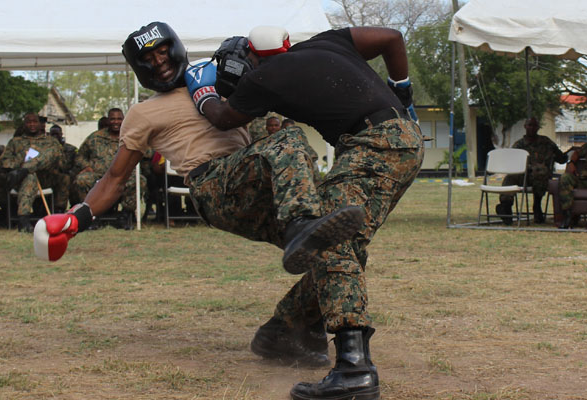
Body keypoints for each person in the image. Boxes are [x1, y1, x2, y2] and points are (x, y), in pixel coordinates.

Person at [32, 22, 380, 400]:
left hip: (262, 183)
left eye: (163, 52)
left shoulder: (219, 81)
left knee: (338, 245)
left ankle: (303, 337)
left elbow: (279, 96)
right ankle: (301, 223)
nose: (159, 62)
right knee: (289, 145)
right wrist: (75, 219)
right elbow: (115, 179)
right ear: (139, 68)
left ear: (176, 49)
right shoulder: (142, 114)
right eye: (148, 58)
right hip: (214, 185)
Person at [185, 25, 423, 400]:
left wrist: (202, 91)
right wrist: (402, 88)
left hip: (371, 143)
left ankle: (354, 370)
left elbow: (223, 118)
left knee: (332, 245)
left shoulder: (263, 76)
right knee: (342, 242)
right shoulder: (329, 41)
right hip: (403, 137)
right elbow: (391, 37)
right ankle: (290, 329)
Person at [73, 108, 146, 229]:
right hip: (98, 174)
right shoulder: (96, 137)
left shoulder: (131, 135)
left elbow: (146, 153)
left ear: (124, 120)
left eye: (119, 119)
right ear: (108, 120)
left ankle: (125, 215)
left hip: (123, 174)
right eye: (112, 119)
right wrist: (86, 166)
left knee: (140, 181)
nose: (116, 122)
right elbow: (79, 156)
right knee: (82, 179)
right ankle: (90, 215)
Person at [0, 112, 64, 232]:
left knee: (35, 168)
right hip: (20, 180)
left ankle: (26, 170)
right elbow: (5, 161)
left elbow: (57, 159)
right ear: (24, 124)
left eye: (35, 122)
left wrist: (29, 166)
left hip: (45, 178)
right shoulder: (15, 142)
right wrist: (20, 163)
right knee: (30, 176)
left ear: (40, 124)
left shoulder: (51, 141)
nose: (32, 124)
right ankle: (23, 220)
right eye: (29, 122)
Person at [496, 117, 566, 224]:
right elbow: (512, 163)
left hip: (541, 177)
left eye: (534, 125)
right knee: (509, 178)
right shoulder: (519, 145)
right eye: (530, 125)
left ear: (538, 127)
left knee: (540, 172)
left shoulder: (546, 142)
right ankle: (506, 208)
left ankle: (537, 207)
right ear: (525, 126)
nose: (532, 128)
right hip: (524, 175)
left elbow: (561, 159)